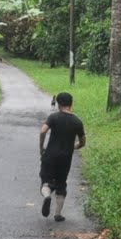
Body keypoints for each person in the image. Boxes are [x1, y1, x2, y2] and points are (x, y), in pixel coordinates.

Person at [37, 92, 85, 221]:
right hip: (65, 158)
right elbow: (82, 143)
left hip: (50, 155)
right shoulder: (77, 122)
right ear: (71, 104)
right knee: (61, 184)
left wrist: (41, 147)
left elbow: (43, 131)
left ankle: (47, 196)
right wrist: (72, 147)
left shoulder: (53, 117)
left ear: (58, 104)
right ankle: (57, 214)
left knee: (46, 182)